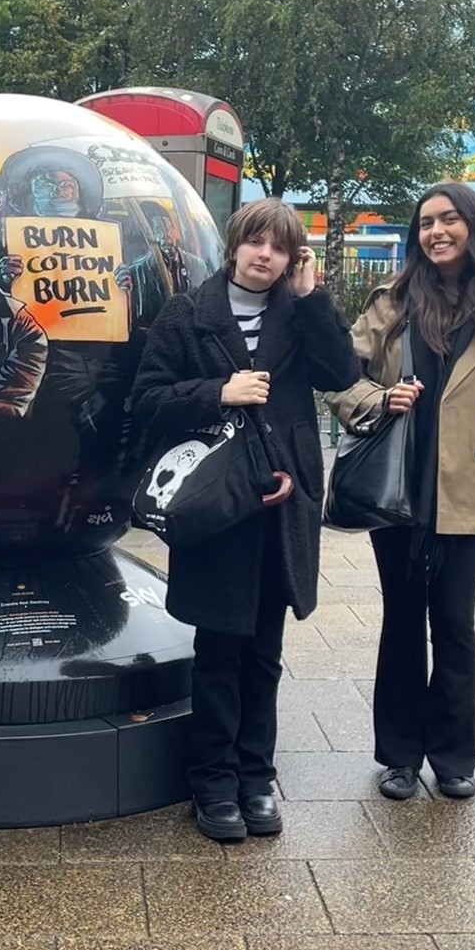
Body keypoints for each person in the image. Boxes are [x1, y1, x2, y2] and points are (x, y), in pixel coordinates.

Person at [131, 198, 360, 841]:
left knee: (265, 650)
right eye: (256, 243)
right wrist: (217, 391)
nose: (266, 256)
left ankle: (256, 778)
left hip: (282, 504)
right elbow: (146, 400)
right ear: (234, 246)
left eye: (280, 248)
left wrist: (314, 299)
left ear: (293, 259)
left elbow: (343, 372)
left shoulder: (298, 313)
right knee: (218, 649)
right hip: (218, 505)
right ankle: (212, 784)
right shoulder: (188, 314)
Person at [327, 182, 475, 802]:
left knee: (454, 624)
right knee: (401, 620)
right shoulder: (392, 303)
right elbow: (340, 373)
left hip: (468, 495)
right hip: (397, 489)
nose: (436, 231)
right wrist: (376, 399)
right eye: (425, 223)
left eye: (449, 219)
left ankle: (452, 757)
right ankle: (398, 755)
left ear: (473, 226)